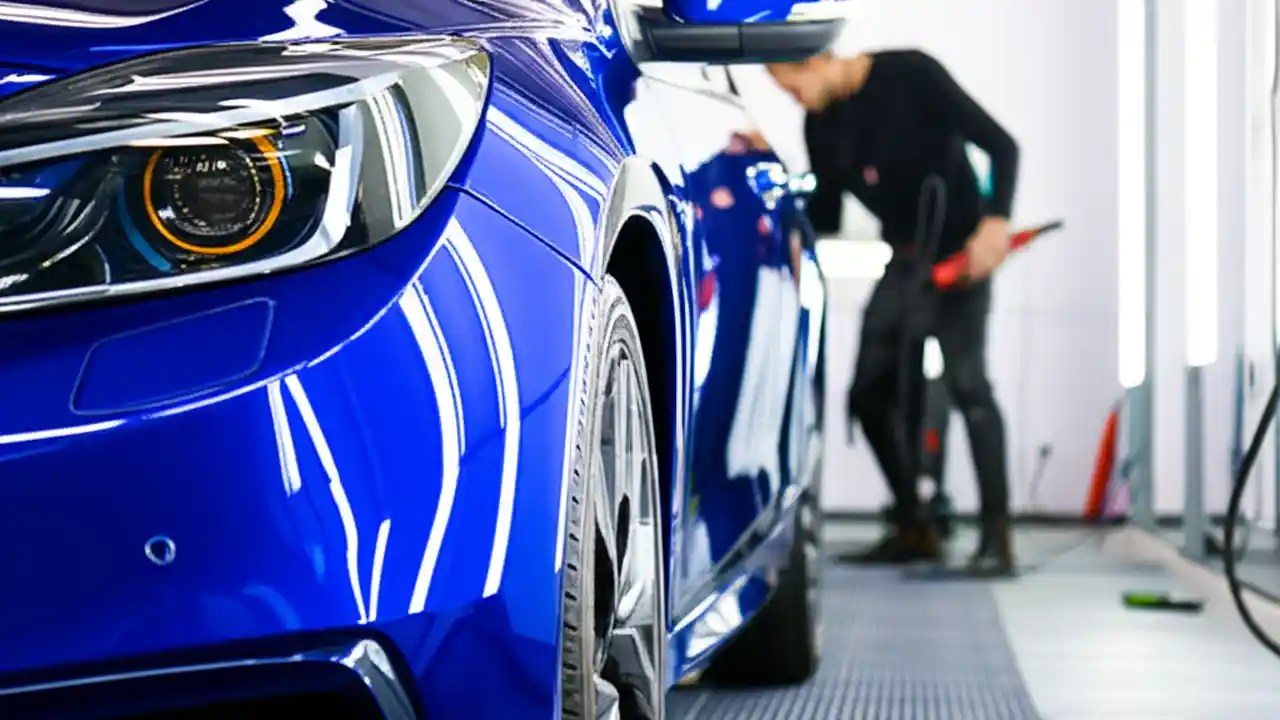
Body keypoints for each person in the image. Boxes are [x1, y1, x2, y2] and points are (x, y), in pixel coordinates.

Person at [768, 49, 1020, 575]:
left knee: (969, 387)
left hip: (961, 259)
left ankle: (998, 538)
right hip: (904, 264)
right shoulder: (821, 125)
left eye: (790, 83)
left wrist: (996, 225)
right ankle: (914, 524)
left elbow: (1002, 146)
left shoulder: (911, 74)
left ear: (817, 60)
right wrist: (773, 183)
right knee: (868, 393)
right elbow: (828, 213)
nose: (791, 97)